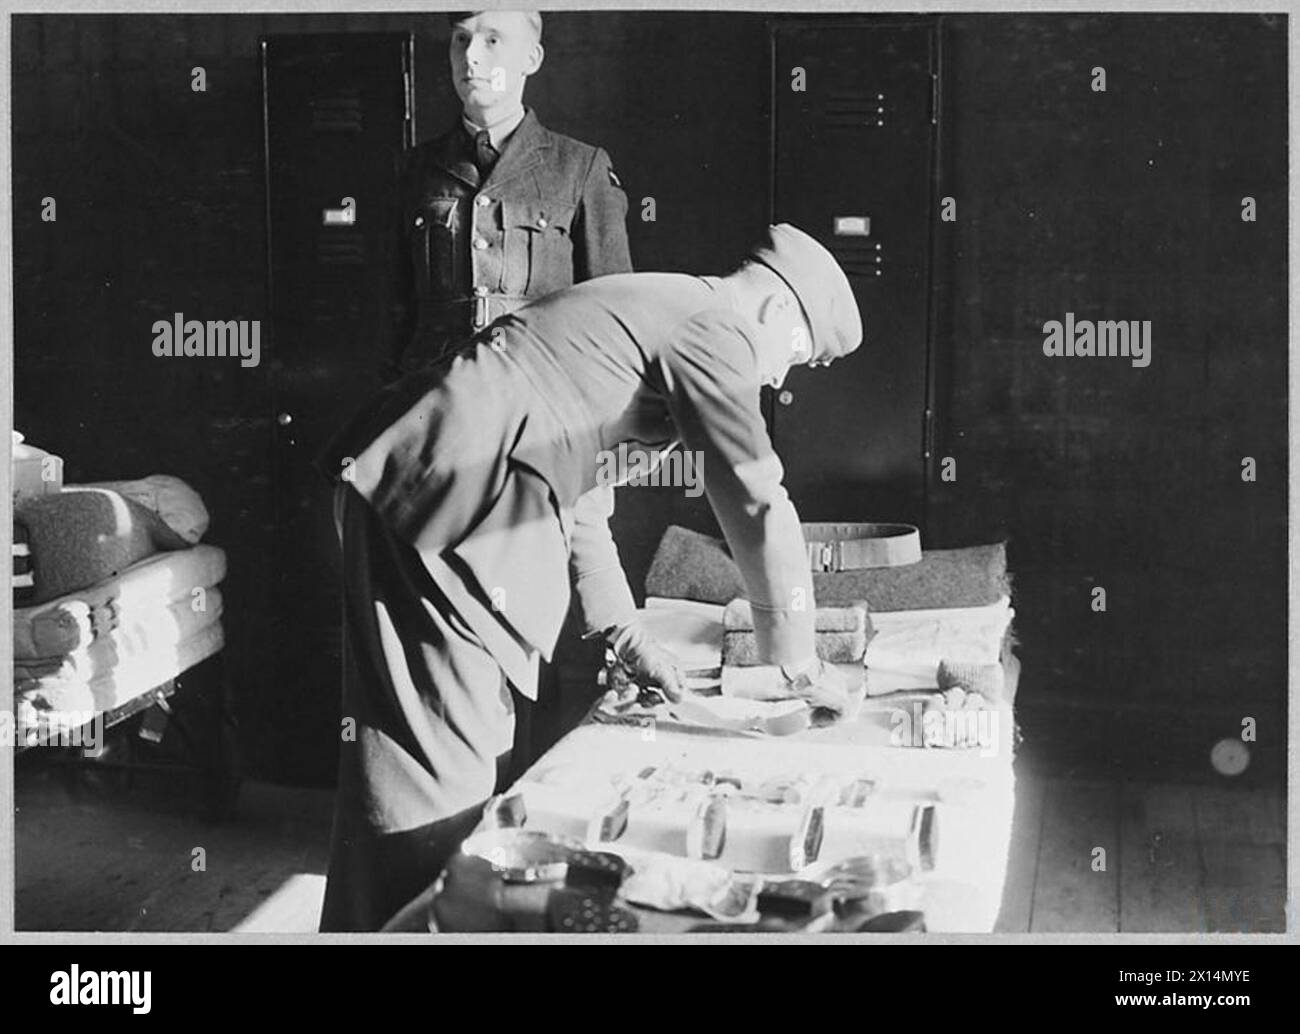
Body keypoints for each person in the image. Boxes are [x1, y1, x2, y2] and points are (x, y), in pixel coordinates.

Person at [318, 224, 863, 931]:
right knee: (442, 773)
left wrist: (626, 630)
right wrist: (797, 661)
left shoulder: (652, 312)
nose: (780, 379)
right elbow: (756, 496)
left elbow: (581, 493)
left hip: (423, 492)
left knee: (411, 758)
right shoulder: (716, 328)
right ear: (775, 309)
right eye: (797, 357)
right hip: (449, 510)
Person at [391, 9, 632, 370]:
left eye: (492, 40)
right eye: (461, 39)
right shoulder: (414, 169)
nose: (470, 56)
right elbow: (394, 312)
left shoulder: (581, 167)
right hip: (436, 393)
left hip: (541, 391)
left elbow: (614, 312)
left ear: (531, 59)